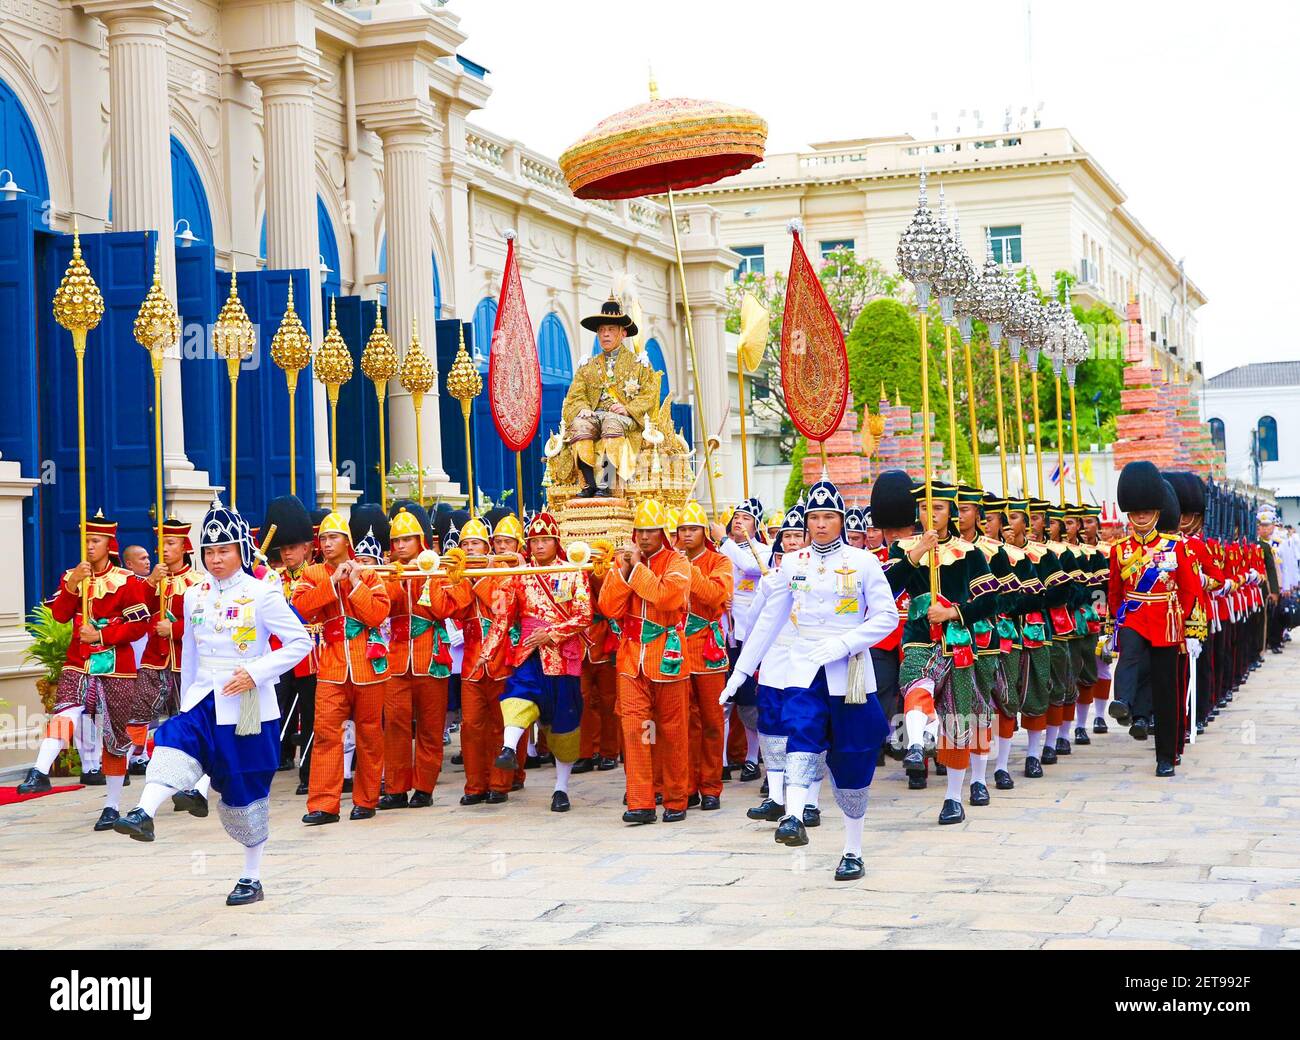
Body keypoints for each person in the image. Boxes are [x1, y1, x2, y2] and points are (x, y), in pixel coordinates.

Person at [112, 500, 311, 906]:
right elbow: (190, 654)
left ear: (241, 550)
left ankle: (250, 877)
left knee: (245, 785)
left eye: (224, 551)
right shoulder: (193, 596)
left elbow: (300, 642)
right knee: (173, 739)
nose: (216, 559)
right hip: (204, 695)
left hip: (250, 701)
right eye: (209, 551)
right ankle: (143, 814)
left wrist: (256, 672)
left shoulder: (263, 594)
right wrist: (188, 699)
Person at [723, 476, 899, 881]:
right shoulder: (794, 564)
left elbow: (886, 617)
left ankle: (853, 849)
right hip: (804, 669)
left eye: (828, 517)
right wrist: (741, 672)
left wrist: (844, 644)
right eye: (814, 517)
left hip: (849, 672)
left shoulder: (863, 562)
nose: (820, 524)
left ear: (840, 520)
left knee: (852, 759)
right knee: (800, 731)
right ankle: (794, 816)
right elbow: (769, 620)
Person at [18, 512, 151, 830]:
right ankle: (39, 771)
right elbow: (61, 616)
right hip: (79, 661)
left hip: (116, 667)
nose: (89, 546)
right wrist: (74, 586)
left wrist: (104, 635)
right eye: (86, 541)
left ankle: (112, 805)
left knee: (116, 738)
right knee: (65, 710)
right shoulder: (72, 576)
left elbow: (139, 625)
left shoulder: (127, 581)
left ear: (109, 544)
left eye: (95, 541)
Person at [889, 481, 998, 823]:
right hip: (919, 637)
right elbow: (888, 586)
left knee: (960, 715)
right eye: (924, 507)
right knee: (915, 685)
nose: (929, 513)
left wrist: (954, 613)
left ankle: (954, 796)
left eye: (937, 508)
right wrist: (919, 550)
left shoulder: (970, 553)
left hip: (958, 640)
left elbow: (990, 600)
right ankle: (918, 743)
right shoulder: (902, 547)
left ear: (950, 511)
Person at [485, 511, 593, 812]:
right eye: (534, 541)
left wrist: (552, 634)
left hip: (563, 656)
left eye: (545, 540)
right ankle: (509, 748)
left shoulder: (573, 571)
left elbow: (584, 615)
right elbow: (503, 615)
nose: (539, 545)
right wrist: (488, 649)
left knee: (563, 723)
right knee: (517, 692)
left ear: (556, 542)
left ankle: (561, 788)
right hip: (529, 652)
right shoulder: (520, 575)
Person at [291, 511, 391, 824]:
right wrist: (333, 584)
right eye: (323, 538)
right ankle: (323, 805)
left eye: (334, 537)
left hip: (368, 665)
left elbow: (377, 615)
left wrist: (356, 583)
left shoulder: (370, 574)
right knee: (325, 734)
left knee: (370, 735)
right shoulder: (312, 574)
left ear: (347, 541)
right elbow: (301, 608)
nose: (327, 542)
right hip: (332, 666)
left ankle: (366, 800)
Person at [598, 498, 691, 824]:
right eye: (641, 531)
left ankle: (677, 799)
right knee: (636, 730)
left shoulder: (678, 563)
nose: (646, 537)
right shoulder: (623, 563)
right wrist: (624, 571)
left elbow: (666, 598)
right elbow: (607, 607)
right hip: (629, 659)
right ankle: (641, 801)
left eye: (652, 531)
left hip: (667, 655)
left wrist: (636, 569)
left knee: (672, 730)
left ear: (663, 533)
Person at [1106, 462, 1200, 776]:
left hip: (1166, 621)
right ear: (1129, 514)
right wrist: (1113, 627)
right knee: (1129, 656)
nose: (1141, 516)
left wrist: (1188, 624)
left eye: (1147, 510)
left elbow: (1190, 588)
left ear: (1157, 512)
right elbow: (1115, 592)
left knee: (1165, 689)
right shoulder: (1120, 550)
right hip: (1134, 615)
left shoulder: (1175, 547)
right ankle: (1123, 702)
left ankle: (1165, 756)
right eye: (1136, 511)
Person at [379, 504, 451, 810]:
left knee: (430, 726)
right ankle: (395, 788)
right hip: (396, 658)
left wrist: (430, 575)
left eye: (406, 540)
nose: (400, 546)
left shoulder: (436, 569)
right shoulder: (388, 573)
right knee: (394, 725)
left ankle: (424, 787)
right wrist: (393, 578)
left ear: (420, 541)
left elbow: (446, 609)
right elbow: (382, 608)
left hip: (431, 656)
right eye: (396, 541)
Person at [135, 517, 206, 812]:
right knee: (139, 713)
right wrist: (151, 584)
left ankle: (191, 783)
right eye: (161, 543)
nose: (164, 549)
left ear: (184, 546)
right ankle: (140, 761)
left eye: (171, 543)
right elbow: (136, 612)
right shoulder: (154, 580)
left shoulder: (199, 583)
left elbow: (203, 624)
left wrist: (174, 631)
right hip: (155, 660)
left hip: (185, 663)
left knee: (187, 721)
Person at [562, 295, 661, 496]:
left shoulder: (639, 364)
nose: (605, 334)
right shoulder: (587, 366)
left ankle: (607, 484)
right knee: (579, 425)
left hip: (624, 419)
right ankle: (589, 485)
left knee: (612, 422)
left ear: (623, 333)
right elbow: (574, 395)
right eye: (601, 330)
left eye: (610, 330)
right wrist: (582, 408)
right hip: (595, 415)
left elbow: (650, 395)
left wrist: (628, 408)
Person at [675, 501, 733, 811]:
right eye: (682, 529)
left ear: (704, 532)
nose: (686, 534)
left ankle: (711, 786)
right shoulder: (672, 560)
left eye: (692, 529)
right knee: (684, 723)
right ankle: (687, 787)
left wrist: (689, 571)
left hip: (708, 649)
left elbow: (715, 595)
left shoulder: (719, 561)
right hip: (678, 651)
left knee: (712, 721)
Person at [263, 495, 319, 797]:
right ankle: (273, 760)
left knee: (310, 715)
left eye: (292, 548)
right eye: (283, 549)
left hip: (309, 655)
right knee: (274, 712)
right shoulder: (274, 579)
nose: (287, 554)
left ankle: (308, 772)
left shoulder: (317, 575)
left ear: (307, 547)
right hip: (279, 655)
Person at [716, 497, 767, 782]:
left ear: (755, 525)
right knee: (724, 700)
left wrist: (725, 541)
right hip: (724, 633)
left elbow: (751, 568)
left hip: (750, 635)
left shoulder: (762, 550)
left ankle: (751, 758)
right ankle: (721, 760)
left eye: (746, 517)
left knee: (749, 702)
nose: (739, 521)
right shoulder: (721, 551)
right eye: (736, 516)